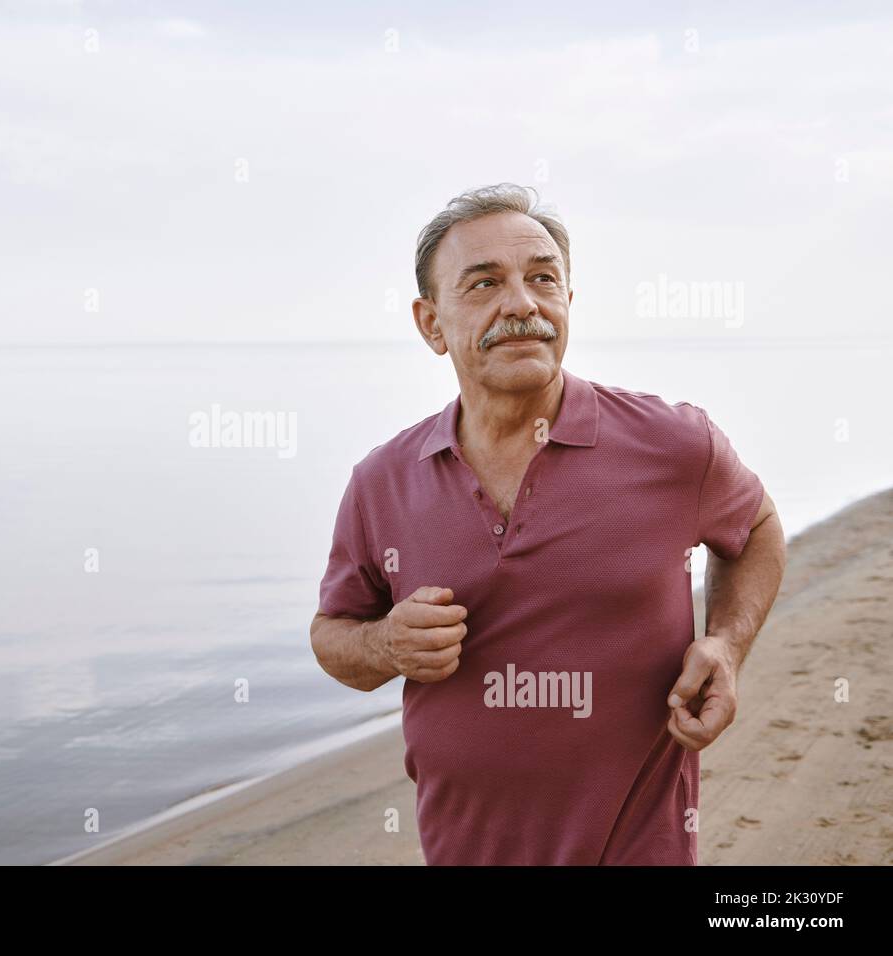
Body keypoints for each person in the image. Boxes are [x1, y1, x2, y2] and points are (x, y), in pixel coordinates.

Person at [309, 183, 786, 865]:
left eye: (542, 279)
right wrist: (387, 645)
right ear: (431, 323)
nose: (522, 304)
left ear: (568, 300)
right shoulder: (381, 481)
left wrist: (726, 647)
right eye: (483, 283)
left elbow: (758, 529)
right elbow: (333, 638)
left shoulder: (675, 446)